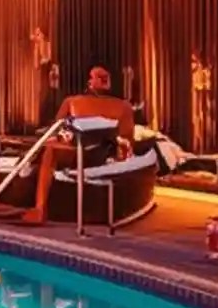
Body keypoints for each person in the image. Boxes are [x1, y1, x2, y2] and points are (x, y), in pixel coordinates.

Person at [20, 83, 135, 225]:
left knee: (50, 148)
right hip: (77, 150)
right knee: (50, 147)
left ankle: (40, 208)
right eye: (98, 77)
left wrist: (122, 148)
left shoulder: (123, 107)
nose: (102, 81)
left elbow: (127, 140)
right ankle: (40, 208)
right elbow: (57, 129)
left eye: (105, 78)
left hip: (100, 153)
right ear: (89, 82)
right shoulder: (72, 102)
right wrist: (63, 136)